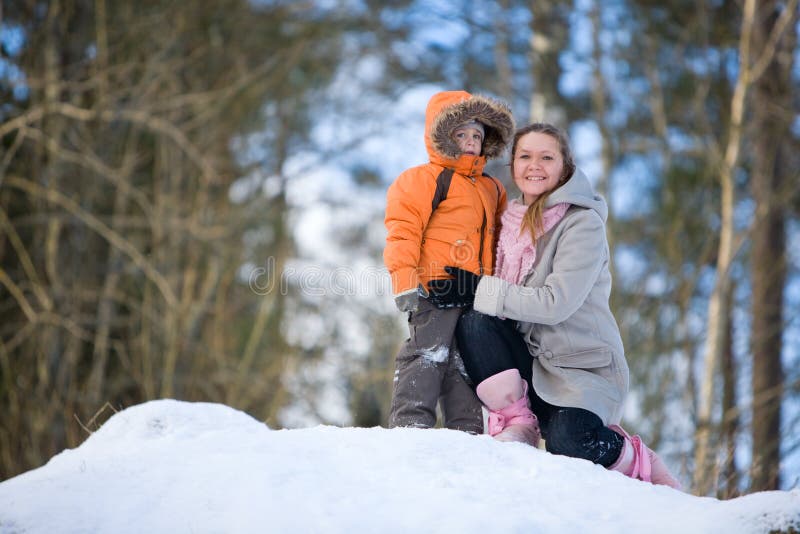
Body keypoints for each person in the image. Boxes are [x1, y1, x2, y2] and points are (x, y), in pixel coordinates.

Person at [427, 123, 681, 489]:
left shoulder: (582, 224)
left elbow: (555, 303)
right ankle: (519, 422)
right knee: (476, 320)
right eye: (525, 156)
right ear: (513, 165)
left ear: (565, 166)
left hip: (583, 371)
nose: (535, 165)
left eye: (546, 157)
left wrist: (479, 288)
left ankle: (637, 458)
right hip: (533, 363)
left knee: (568, 442)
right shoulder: (508, 222)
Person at [384, 90, 514, 433]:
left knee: (463, 365)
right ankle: (411, 423)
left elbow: (501, 242)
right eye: (461, 134)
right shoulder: (425, 179)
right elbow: (403, 231)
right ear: (442, 135)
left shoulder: (492, 188)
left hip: (474, 294)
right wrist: (404, 280)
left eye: (477, 136)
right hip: (434, 288)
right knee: (429, 353)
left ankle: (466, 432)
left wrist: (499, 291)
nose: (470, 142)